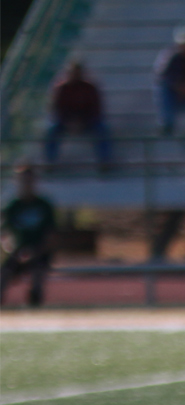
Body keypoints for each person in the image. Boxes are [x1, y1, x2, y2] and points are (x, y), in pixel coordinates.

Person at [2, 165, 56, 309]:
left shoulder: (44, 206)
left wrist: (34, 252)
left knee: (38, 274)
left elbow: (50, 236)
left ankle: (34, 307)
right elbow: (5, 235)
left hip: (39, 253)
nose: (26, 184)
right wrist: (14, 251)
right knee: (3, 274)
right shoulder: (13, 206)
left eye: (29, 180)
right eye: (23, 180)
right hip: (17, 253)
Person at [45, 61, 112, 167]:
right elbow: (57, 109)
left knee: (102, 129)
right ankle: (49, 162)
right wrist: (68, 122)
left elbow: (96, 109)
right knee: (51, 130)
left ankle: (105, 161)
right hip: (65, 122)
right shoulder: (61, 89)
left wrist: (83, 122)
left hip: (87, 122)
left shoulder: (90, 88)